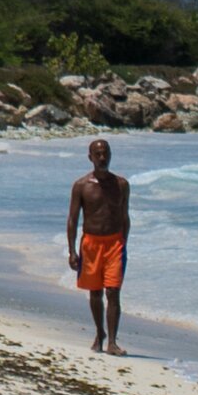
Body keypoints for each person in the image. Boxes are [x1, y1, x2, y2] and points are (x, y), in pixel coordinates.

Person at [67, 137, 130, 353]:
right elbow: (73, 220)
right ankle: (99, 332)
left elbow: (125, 216)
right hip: (91, 244)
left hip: (115, 244)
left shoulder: (121, 185)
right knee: (95, 293)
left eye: (106, 154)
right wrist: (72, 251)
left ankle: (112, 342)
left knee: (113, 291)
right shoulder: (81, 186)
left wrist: (124, 243)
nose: (102, 158)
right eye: (98, 154)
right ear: (90, 157)